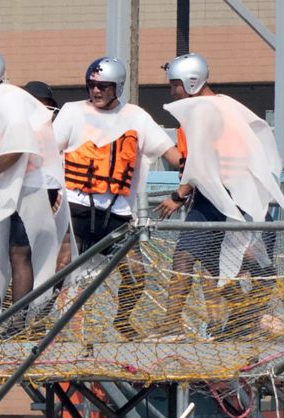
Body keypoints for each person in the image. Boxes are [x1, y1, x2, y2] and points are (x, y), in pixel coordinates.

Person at [155, 53, 284, 337]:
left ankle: (248, 321)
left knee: (245, 266)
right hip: (208, 198)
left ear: (191, 83)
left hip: (238, 197)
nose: (171, 91)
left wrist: (177, 196)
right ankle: (171, 324)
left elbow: (202, 162)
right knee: (186, 258)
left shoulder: (206, 109)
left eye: (174, 85)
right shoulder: (216, 105)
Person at [54, 57, 181, 338]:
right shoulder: (71, 112)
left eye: (103, 86)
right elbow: (48, 154)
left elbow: (171, 154)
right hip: (76, 207)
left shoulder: (136, 116)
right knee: (61, 267)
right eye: (91, 85)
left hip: (117, 214)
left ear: (118, 87)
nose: (96, 91)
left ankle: (122, 320)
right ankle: (40, 321)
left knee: (136, 274)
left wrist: (190, 171)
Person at [0, 49, 65, 327]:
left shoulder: (9, 99)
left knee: (19, 253)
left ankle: (18, 323)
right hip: (4, 185)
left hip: (29, 186)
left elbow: (17, 148)